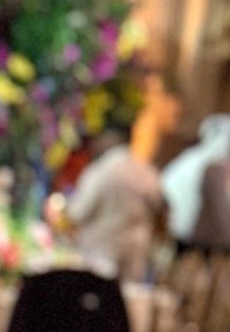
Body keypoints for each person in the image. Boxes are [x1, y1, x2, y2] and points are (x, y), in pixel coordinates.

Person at [65, 121, 163, 280]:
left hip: (102, 251)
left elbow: (78, 212)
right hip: (136, 252)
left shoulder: (101, 171)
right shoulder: (147, 172)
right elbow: (159, 207)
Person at [162, 113, 230, 249]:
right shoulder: (214, 167)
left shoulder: (188, 159)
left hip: (173, 232)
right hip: (196, 239)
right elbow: (221, 209)